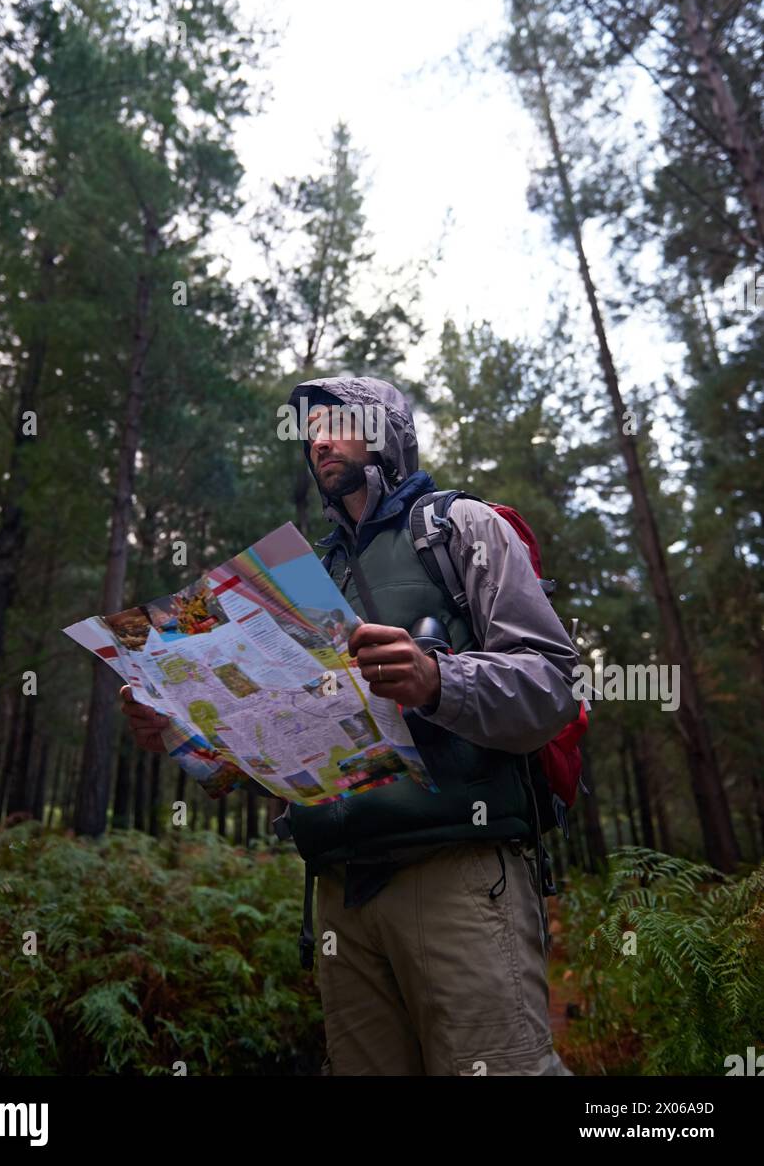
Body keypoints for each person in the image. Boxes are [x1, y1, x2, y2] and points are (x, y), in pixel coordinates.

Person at [122, 375, 580, 1076]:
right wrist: (182, 733)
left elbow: (552, 684)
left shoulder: (459, 528)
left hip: (456, 874)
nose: (319, 440)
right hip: (338, 896)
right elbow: (276, 735)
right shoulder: (301, 576)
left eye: (339, 423)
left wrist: (437, 680)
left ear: (388, 431)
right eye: (311, 432)